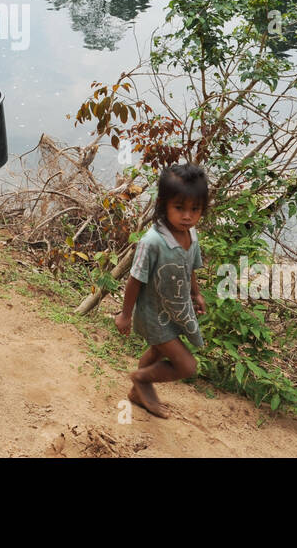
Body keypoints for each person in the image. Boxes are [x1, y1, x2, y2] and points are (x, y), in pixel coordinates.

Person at [114, 164, 209, 418]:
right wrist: (125, 315)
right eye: (179, 208)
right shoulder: (152, 242)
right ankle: (141, 379)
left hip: (176, 309)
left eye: (195, 209)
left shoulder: (191, 235)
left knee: (157, 352)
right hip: (154, 314)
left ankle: (137, 391)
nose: (187, 216)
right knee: (187, 366)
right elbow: (135, 279)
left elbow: (189, 267)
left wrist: (196, 293)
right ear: (163, 205)